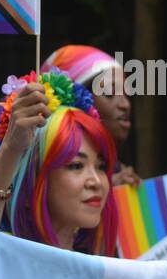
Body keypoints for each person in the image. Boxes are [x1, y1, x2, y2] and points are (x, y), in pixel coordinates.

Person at [0, 69, 167, 279]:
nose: (96, 181)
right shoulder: (5, 260)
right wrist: (12, 148)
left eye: (101, 165)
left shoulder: (118, 259)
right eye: (75, 165)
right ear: (36, 178)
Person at [42, 45, 140, 187]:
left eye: (127, 94)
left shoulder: (123, 174)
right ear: (76, 101)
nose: (125, 105)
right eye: (76, 166)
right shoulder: (36, 168)